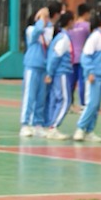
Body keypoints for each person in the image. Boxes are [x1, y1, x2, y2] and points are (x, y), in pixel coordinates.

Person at [74, 8, 101, 142]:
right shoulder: (95, 37)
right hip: (94, 77)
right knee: (91, 104)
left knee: (96, 105)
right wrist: (90, 72)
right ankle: (80, 128)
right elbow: (86, 56)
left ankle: (89, 130)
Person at [20, 2, 62, 138]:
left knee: (41, 98)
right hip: (32, 66)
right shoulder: (30, 30)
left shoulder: (48, 31)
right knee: (29, 95)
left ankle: (37, 124)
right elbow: (37, 31)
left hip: (43, 67)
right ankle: (25, 124)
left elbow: (48, 31)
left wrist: (45, 18)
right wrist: (40, 17)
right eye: (45, 17)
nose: (46, 19)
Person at [44, 11, 76, 140]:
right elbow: (56, 56)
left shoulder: (59, 36)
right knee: (65, 100)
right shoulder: (63, 38)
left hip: (58, 72)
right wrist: (50, 73)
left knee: (56, 99)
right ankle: (53, 127)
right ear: (69, 22)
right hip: (61, 73)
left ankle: (51, 125)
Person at [67, 3, 93, 111]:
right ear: (86, 13)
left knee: (71, 82)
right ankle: (83, 103)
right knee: (82, 81)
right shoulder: (87, 26)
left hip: (72, 57)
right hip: (82, 57)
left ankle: (69, 103)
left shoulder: (72, 26)